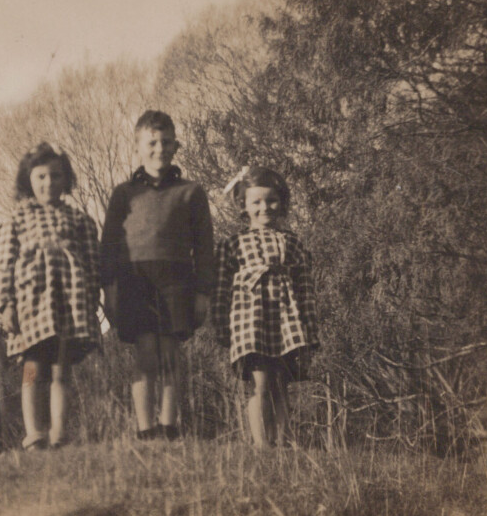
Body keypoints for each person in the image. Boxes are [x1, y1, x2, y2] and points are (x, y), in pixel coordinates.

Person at [100, 110, 215, 441]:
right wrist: (109, 289)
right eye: (151, 142)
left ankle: (168, 427)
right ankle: (145, 430)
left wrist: (203, 292)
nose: (159, 148)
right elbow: (108, 243)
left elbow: (205, 247)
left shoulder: (191, 192)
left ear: (176, 146)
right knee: (146, 353)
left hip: (177, 279)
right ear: (138, 146)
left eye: (166, 142)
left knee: (169, 354)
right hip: (134, 279)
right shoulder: (123, 193)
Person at [0, 143, 101, 451]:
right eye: (40, 176)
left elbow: (93, 264)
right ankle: (34, 432)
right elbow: (3, 264)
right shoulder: (16, 219)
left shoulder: (79, 220)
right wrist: (6, 304)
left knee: (61, 369)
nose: (48, 183)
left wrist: (91, 300)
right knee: (32, 368)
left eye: (55, 176)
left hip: (69, 305)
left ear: (66, 180)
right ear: (28, 181)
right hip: (31, 307)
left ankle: (59, 432)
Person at [212, 166, 321, 447]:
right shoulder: (232, 245)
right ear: (244, 205)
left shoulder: (293, 243)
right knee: (261, 384)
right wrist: (221, 325)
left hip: (286, 321)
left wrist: (309, 329)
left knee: (281, 384)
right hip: (250, 322)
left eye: (271, 200)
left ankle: (282, 443)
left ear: (282, 202)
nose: (264, 208)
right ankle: (262, 448)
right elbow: (221, 289)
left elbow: (306, 289)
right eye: (256, 201)